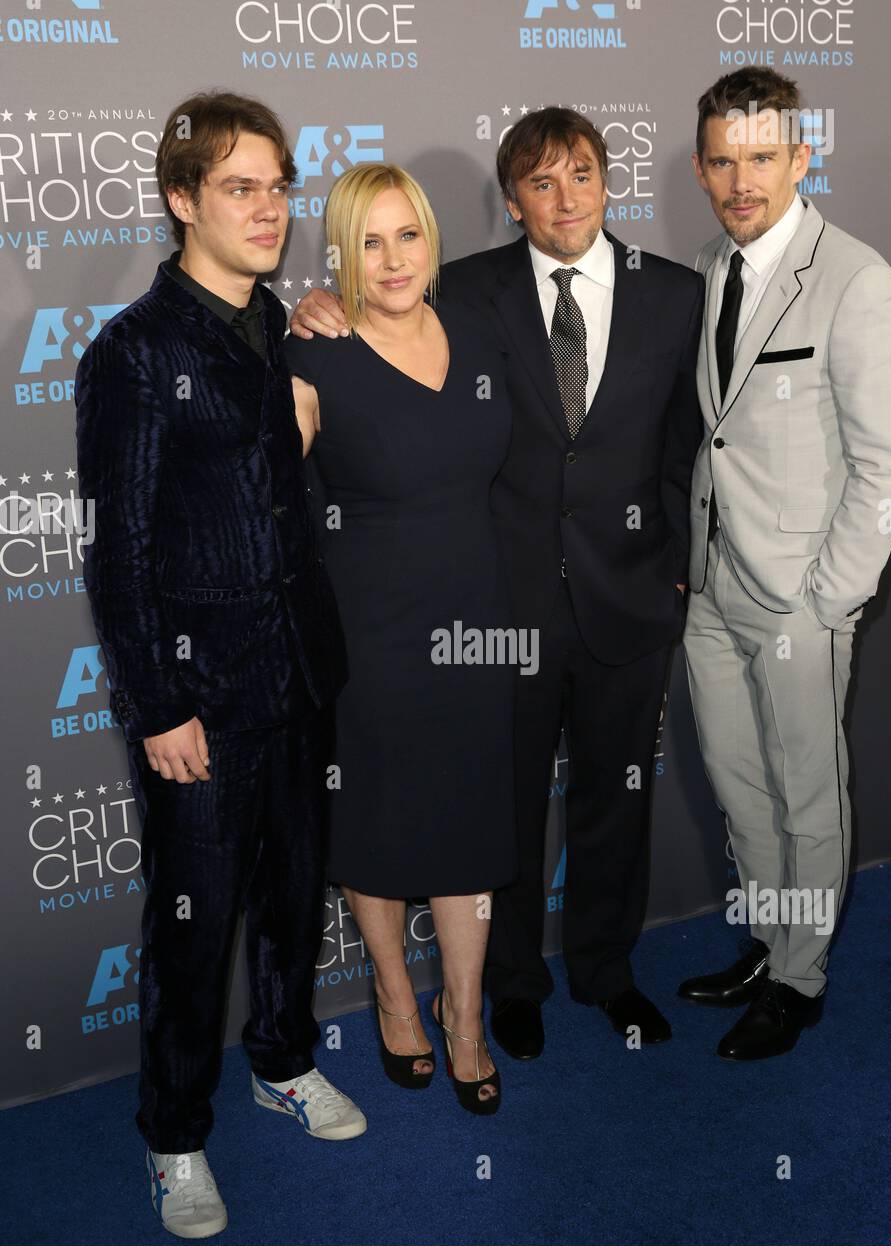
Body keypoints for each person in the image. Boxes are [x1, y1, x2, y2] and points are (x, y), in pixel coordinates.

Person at [290, 109, 704, 1063]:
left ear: (610, 182)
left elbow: (687, 446)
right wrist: (317, 304)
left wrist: (675, 567)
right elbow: (375, 319)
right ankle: (509, 987)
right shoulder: (462, 289)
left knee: (617, 796)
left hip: (629, 596)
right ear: (511, 200)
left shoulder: (673, 294)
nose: (566, 200)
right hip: (496, 607)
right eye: (541, 183)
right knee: (501, 808)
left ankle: (605, 971)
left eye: (583, 176)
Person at [74, 91, 365, 1240]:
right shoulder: (133, 352)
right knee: (195, 925)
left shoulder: (280, 320)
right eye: (239, 187)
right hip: (198, 694)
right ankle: (173, 1132)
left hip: (299, 671)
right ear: (181, 200)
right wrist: (159, 705)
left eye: (278, 186)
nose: (268, 208)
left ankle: (282, 1061)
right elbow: (120, 549)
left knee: (296, 894)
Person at [678, 67, 891, 1059]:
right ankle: (769, 939)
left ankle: (801, 978)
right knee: (742, 787)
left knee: (808, 793)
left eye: (763, 158)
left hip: (798, 600)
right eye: (725, 161)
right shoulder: (707, 267)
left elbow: (887, 465)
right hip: (709, 586)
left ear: (801, 157)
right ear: (701, 168)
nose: (744, 181)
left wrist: (827, 602)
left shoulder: (859, 279)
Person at [285, 163, 516, 1114]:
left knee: (469, 816)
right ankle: (392, 996)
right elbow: (262, 506)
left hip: (478, 617)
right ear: (340, 254)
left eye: (406, 235)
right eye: (366, 242)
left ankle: (465, 1015)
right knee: (373, 818)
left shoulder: (480, 326)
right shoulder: (313, 357)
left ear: (431, 239)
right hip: (367, 628)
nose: (390, 260)